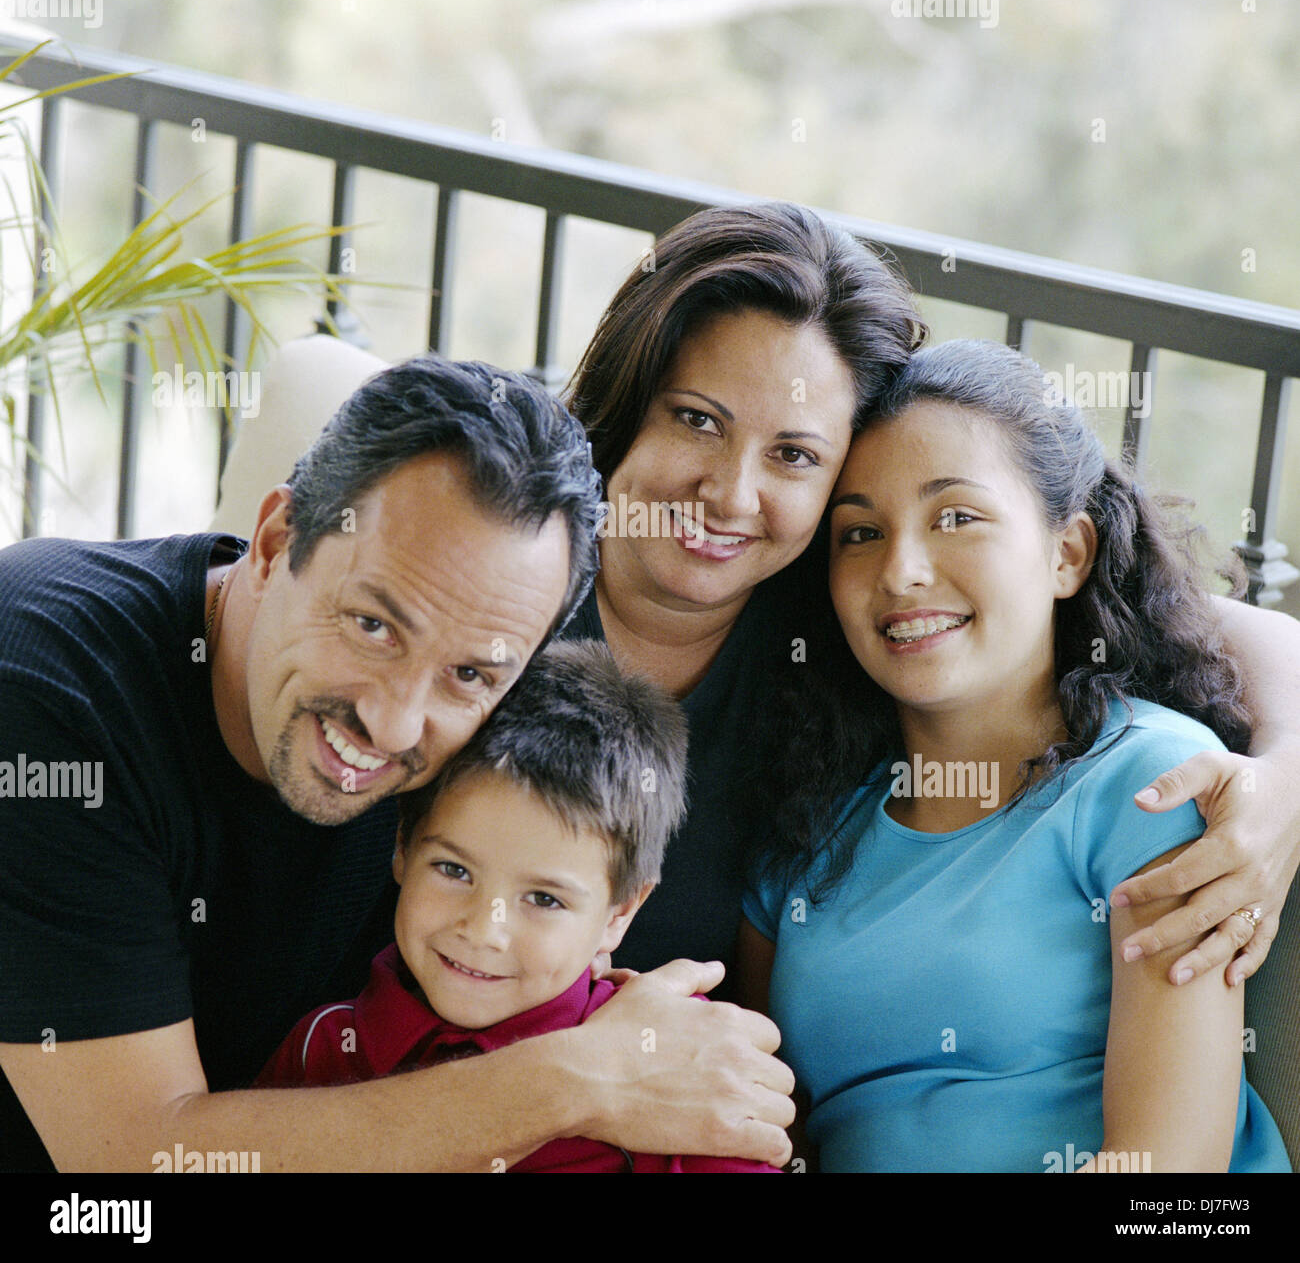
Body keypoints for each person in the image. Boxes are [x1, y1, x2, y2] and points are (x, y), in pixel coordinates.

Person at [0, 355, 794, 1172]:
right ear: (276, 542)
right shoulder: (42, 681)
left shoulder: (475, 749)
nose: (392, 720)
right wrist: (581, 1079)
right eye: (374, 626)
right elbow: (135, 1163)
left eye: (471, 673)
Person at [561, 202, 1300, 996]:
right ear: (629, 399)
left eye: (795, 454)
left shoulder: (828, 602)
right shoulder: (507, 573)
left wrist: (1287, 770)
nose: (733, 495)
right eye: (698, 420)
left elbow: (1210, 622)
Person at [738, 339, 1292, 1172]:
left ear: (1067, 554)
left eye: (956, 516)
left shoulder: (1150, 784)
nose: (901, 571)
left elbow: (1169, 1171)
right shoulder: (806, 836)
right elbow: (752, 1129)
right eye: (860, 532)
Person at [258, 639, 778, 1173]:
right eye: (454, 870)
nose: (485, 930)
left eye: (544, 899)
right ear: (402, 847)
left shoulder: (678, 1063)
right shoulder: (322, 1050)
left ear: (619, 913)